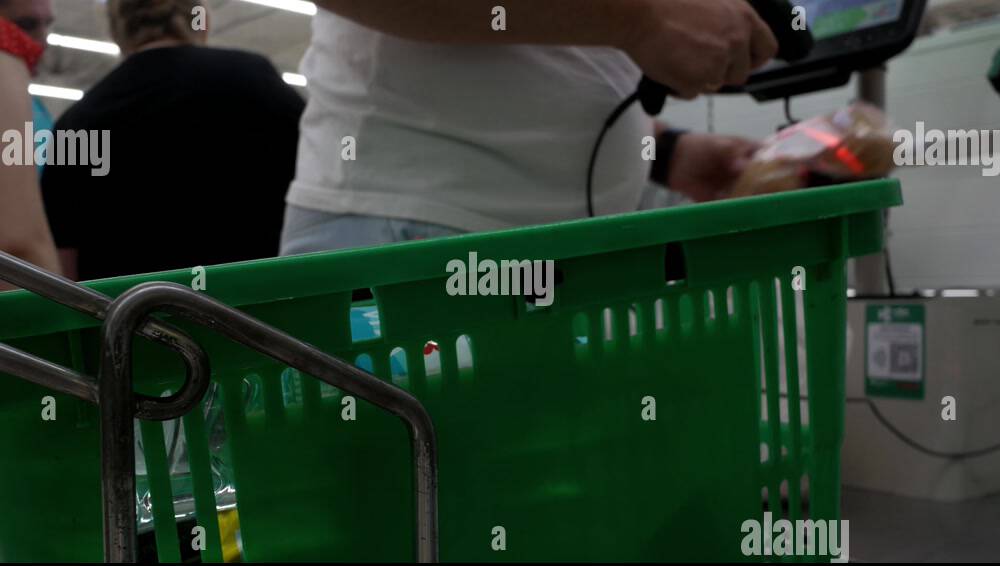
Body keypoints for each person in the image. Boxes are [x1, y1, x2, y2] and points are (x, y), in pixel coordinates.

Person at [281, 0, 776, 256]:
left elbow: (555, 65)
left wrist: (665, 152)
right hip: (410, 240)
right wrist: (640, 19)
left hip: (560, 260)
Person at [41, 0, 305, 281]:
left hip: (131, 315)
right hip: (257, 306)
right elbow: (314, 185)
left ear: (116, 30)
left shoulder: (77, 123)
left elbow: (63, 263)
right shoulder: (257, 80)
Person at [0, 0, 61, 278]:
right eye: (26, 25)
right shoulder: (4, 61)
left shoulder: (36, 107)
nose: (42, 39)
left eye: (47, 24)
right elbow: (18, 242)